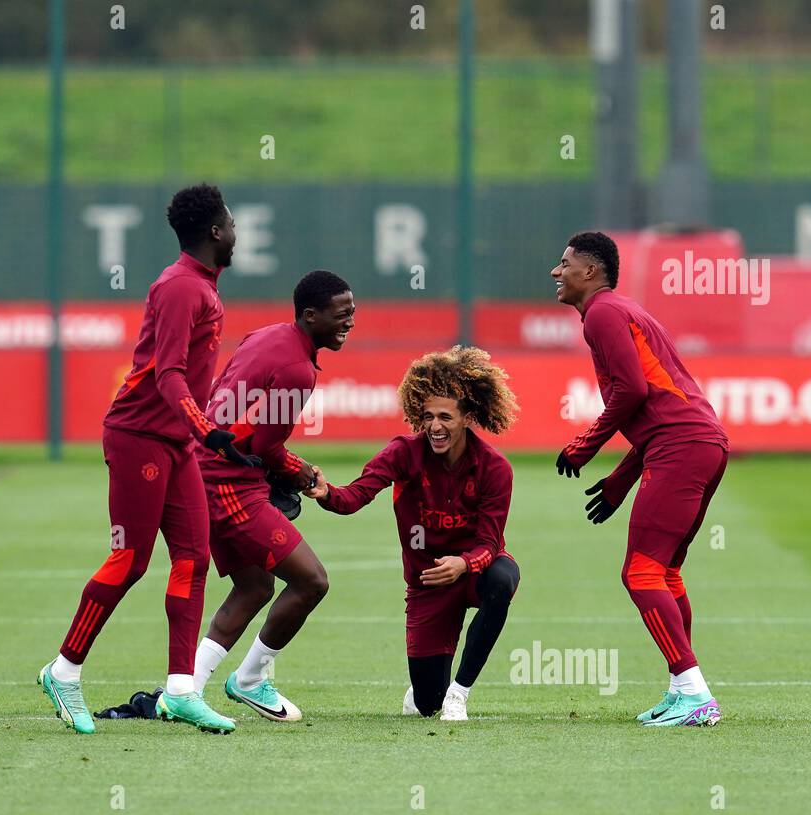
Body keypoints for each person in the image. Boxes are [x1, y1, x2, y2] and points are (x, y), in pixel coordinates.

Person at [38, 184, 254, 735]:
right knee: (129, 560)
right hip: (139, 436)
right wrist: (208, 431)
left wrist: (199, 434)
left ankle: (181, 689)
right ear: (214, 232)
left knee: (193, 557)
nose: (236, 231)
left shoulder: (198, 284)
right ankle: (63, 671)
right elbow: (168, 374)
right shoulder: (183, 286)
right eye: (231, 222)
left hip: (174, 442)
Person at [552, 230, 729, 727]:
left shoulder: (603, 314)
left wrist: (585, 445)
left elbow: (630, 391)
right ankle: (682, 689)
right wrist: (621, 480)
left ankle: (696, 694)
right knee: (665, 572)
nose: (555, 272)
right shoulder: (625, 310)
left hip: (681, 446)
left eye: (564, 263)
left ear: (590, 271)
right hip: (699, 442)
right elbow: (655, 405)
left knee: (641, 572)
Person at [305, 347, 520, 720]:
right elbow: (356, 496)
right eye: (427, 417)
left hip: (475, 572)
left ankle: (459, 693)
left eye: (445, 417)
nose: (434, 426)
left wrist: (464, 564)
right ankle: (434, 692)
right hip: (427, 584)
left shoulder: (495, 467)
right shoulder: (403, 452)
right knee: (425, 704)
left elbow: (488, 543)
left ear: (468, 418)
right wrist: (326, 494)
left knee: (504, 578)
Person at [192, 270, 356, 721]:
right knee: (311, 581)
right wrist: (300, 472)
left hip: (208, 466)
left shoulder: (265, 336)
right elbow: (265, 446)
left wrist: (286, 467)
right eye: (342, 315)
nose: (350, 323)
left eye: (353, 313)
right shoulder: (298, 370)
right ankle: (249, 680)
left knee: (254, 586)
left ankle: (186, 690)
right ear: (310, 315)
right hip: (228, 478)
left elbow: (230, 411)